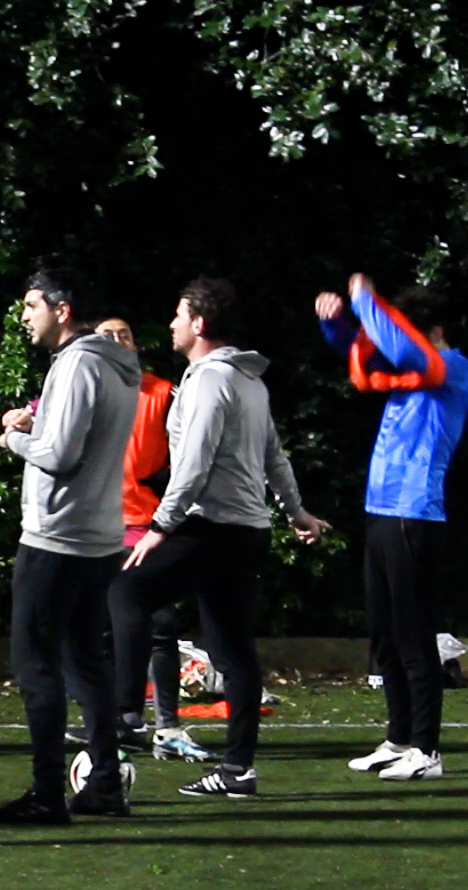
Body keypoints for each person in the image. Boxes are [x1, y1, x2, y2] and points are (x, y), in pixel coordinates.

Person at [110, 278, 329, 798]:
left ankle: (126, 719)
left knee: (126, 590)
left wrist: (161, 527)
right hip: (247, 533)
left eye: (179, 315)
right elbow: (275, 455)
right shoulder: (249, 380)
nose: (172, 325)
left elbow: (193, 465)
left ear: (200, 324)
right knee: (233, 653)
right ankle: (238, 770)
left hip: (214, 530)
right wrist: (296, 511)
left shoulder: (210, 381)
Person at [0, 269, 141, 824]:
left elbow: (62, 454)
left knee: (35, 665)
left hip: (58, 536)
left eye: (31, 305)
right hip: (98, 535)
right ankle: (103, 785)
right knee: (86, 662)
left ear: (63, 309)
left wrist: (13, 437)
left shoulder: (78, 363)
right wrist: (39, 425)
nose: (26, 316)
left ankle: (47, 793)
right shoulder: (117, 364)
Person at [316, 274, 468, 781]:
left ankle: (426, 750)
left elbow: (398, 347)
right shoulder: (408, 367)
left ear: (429, 330)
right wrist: (338, 323)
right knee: (384, 636)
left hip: (415, 512)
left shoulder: (453, 367)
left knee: (414, 636)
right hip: (382, 510)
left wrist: (367, 302)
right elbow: (366, 350)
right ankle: (398, 739)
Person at [93, 311, 215, 764]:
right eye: (107, 335)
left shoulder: (163, 393)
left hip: (147, 523)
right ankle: (115, 721)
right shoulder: (82, 389)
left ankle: (165, 725)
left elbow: (189, 453)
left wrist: (168, 503)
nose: (118, 340)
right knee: (105, 627)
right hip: (97, 526)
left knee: (159, 625)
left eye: (125, 333)